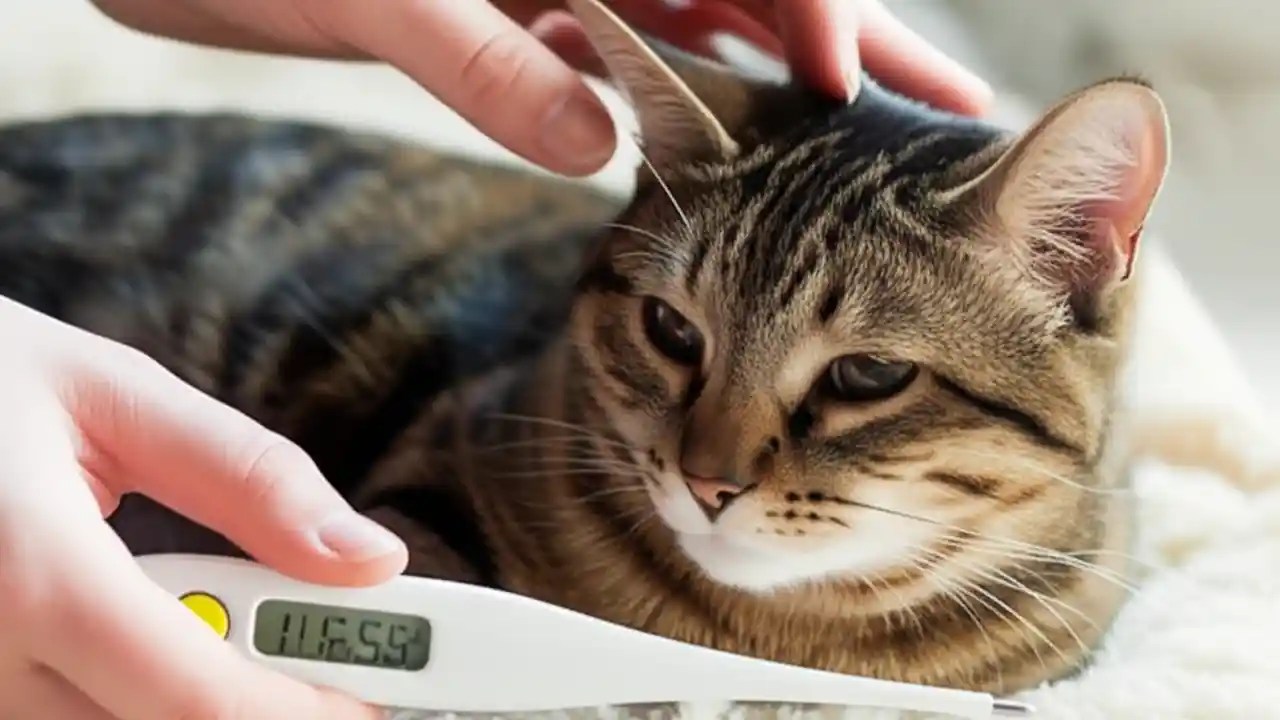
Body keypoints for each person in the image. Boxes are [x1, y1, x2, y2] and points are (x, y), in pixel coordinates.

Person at [0, 2, 991, 718]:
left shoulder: (1044, 623)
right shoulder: (547, 459)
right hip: (99, 247)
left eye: (861, 376)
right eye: (676, 338)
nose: (713, 469)